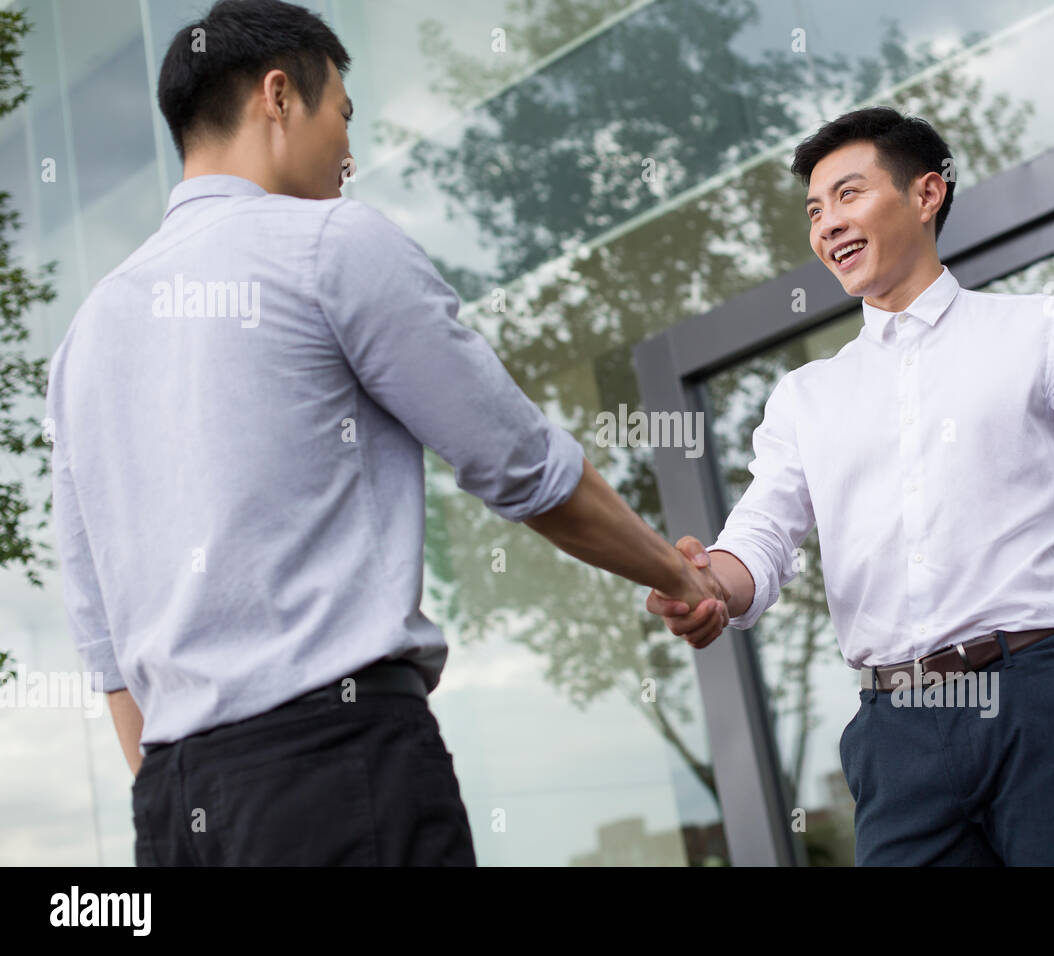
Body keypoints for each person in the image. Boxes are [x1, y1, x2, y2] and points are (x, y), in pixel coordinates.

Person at [45, 0, 728, 866]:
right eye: (343, 116)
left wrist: (179, 802)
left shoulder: (83, 342)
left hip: (174, 808)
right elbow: (521, 466)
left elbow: (104, 642)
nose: (349, 154)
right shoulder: (330, 243)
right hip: (335, 766)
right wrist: (679, 575)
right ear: (279, 96)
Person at [646, 106, 1054, 866]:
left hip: (1041, 704)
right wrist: (707, 586)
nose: (828, 224)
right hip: (895, 737)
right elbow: (759, 541)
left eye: (849, 194)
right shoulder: (805, 399)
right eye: (815, 210)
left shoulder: (1045, 334)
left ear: (927, 194)